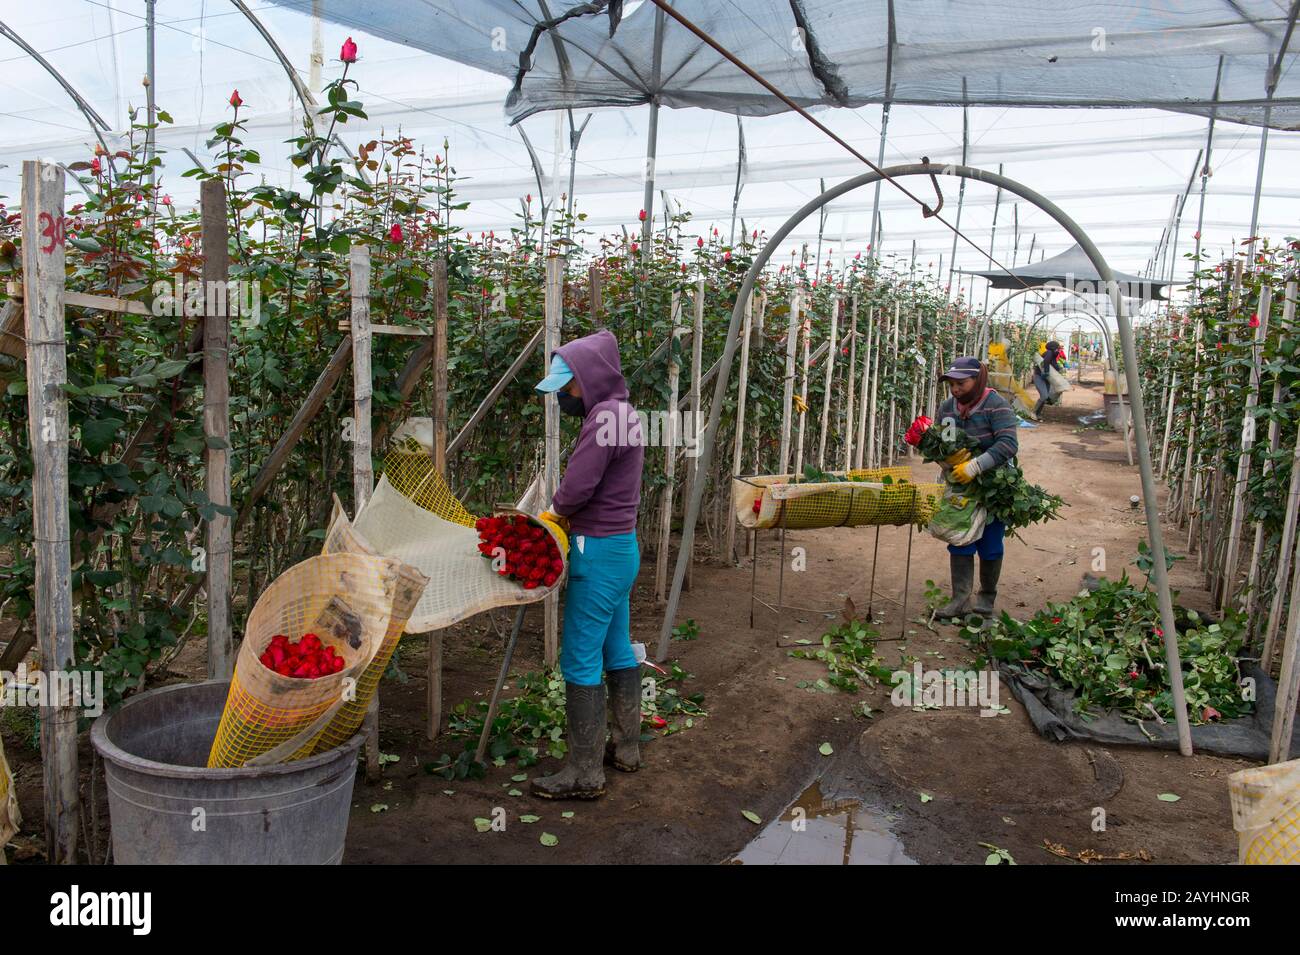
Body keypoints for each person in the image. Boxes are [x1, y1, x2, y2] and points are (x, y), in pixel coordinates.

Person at [531, 329, 645, 800]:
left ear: (591, 378)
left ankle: (583, 774)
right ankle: (627, 748)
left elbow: (579, 486)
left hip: (594, 551)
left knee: (578, 656)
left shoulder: (602, 419)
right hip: (622, 549)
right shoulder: (627, 414)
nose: (564, 395)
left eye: (569, 386)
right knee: (616, 646)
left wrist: (552, 514)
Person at [934, 356, 1019, 621]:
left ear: (977, 379)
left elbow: (1008, 444)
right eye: (951, 384)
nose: (955, 389)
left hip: (994, 485)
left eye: (961, 383)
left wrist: (975, 467)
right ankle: (960, 600)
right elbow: (943, 442)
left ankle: (985, 602)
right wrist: (947, 460)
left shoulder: (997, 406)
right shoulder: (948, 408)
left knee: (991, 544)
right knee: (960, 539)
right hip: (959, 487)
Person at [1032, 340, 1065, 417]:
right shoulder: (1049, 353)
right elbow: (1046, 361)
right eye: (1057, 348)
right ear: (1053, 348)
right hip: (1039, 376)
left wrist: (1059, 369)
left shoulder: (1053, 354)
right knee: (1044, 396)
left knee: (1045, 396)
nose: (1058, 350)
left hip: (1046, 378)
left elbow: (1054, 363)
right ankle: (1033, 412)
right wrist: (1046, 372)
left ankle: (1038, 414)